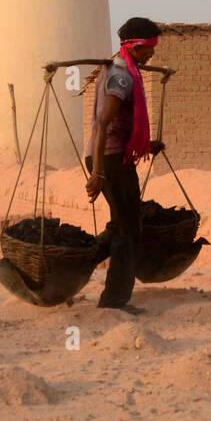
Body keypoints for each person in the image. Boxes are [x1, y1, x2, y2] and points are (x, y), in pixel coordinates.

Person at [84, 17, 165, 314]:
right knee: (129, 229)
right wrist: (98, 174)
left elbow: (119, 121)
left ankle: (80, 260)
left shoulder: (115, 67)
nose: (152, 55)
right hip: (109, 157)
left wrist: (146, 145)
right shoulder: (122, 76)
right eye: (149, 50)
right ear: (136, 46)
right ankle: (114, 301)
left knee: (122, 222)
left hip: (110, 155)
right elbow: (104, 122)